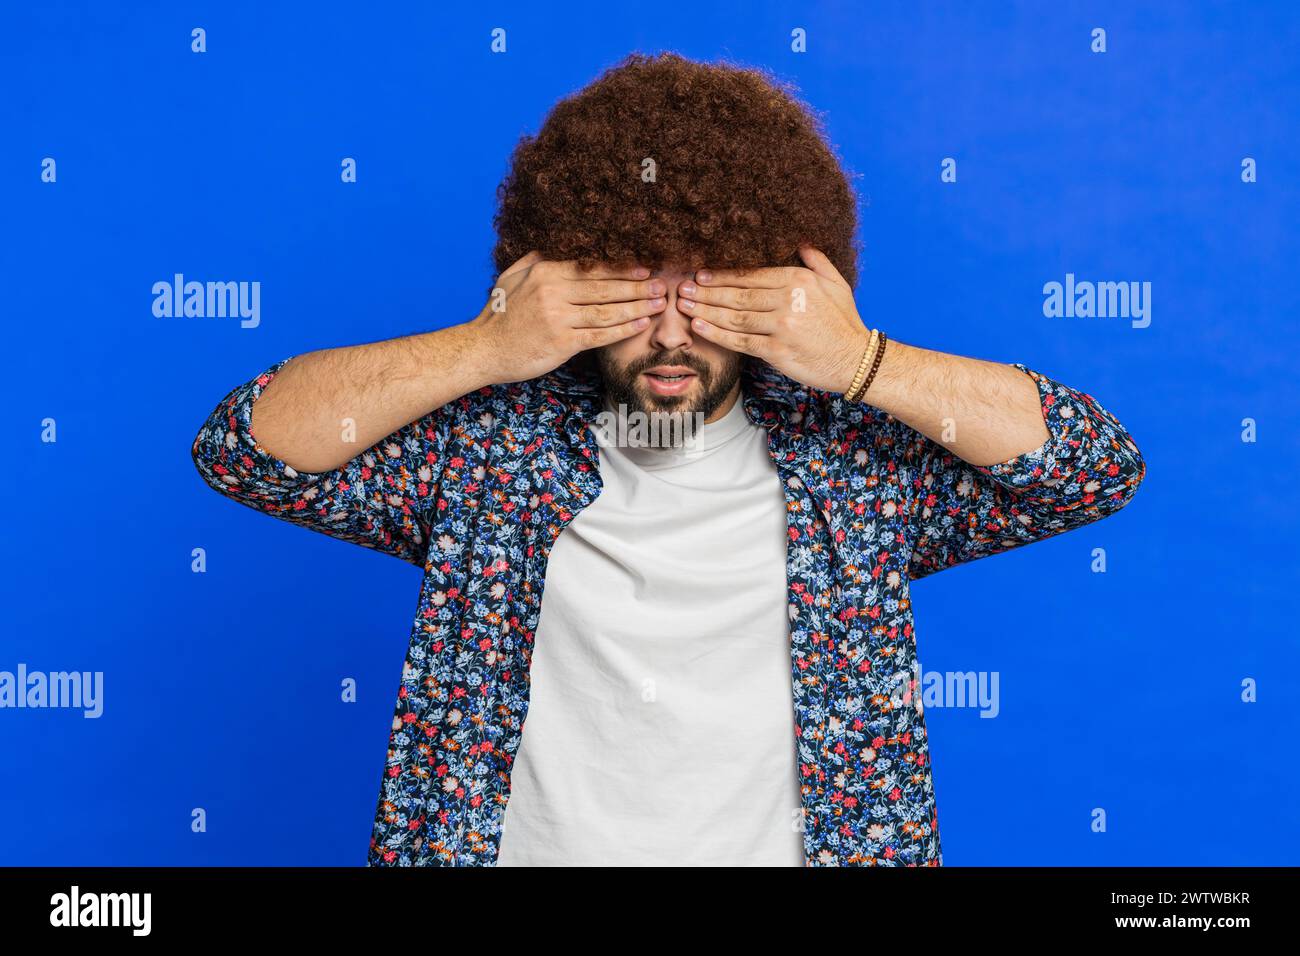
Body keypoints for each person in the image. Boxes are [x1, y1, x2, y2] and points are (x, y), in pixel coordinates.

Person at [191, 52, 1146, 866]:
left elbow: (1094, 467)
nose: (672, 334)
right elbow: (246, 448)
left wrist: (861, 360)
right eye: (633, 293)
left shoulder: (854, 469)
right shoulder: (489, 454)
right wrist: (485, 344)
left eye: (716, 293)